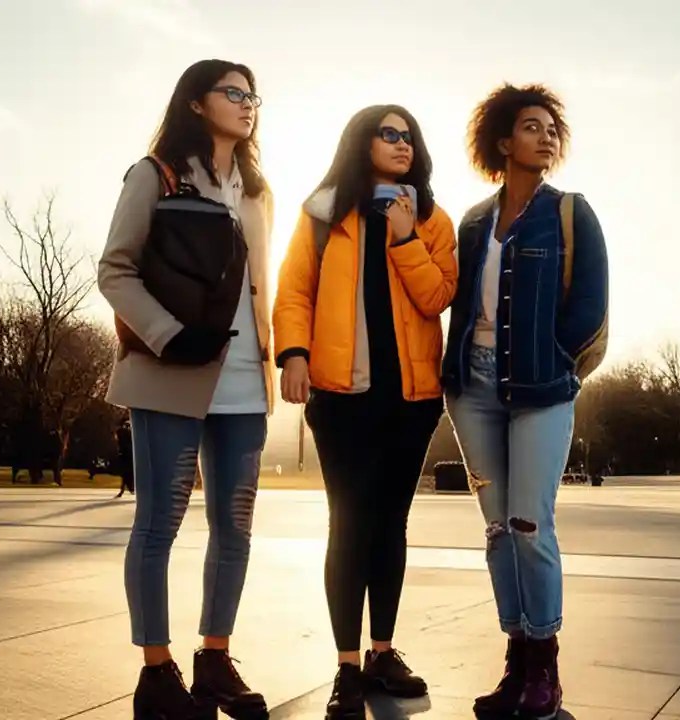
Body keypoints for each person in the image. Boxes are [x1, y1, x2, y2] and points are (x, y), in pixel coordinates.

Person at [98, 59, 274, 720]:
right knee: (158, 525)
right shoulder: (155, 174)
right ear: (195, 103)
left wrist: (281, 357)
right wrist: (169, 334)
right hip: (171, 374)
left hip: (245, 386)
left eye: (253, 95)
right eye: (233, 92)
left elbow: (263, 288)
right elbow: (115, 270)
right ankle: (155, 673)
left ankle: (214, 662)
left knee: (235, 528)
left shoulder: (259, 192)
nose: (247, 103)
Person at [273, 104, 457, 720]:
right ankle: (347, 666)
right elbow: (294, 288)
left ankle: (383, 651)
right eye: (389, 134)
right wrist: (293, 354)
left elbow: (436, 296)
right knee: (348, 526)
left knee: (391, 526)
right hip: (341, 396)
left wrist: (405, 237)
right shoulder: (322, 214)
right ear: (362, 142)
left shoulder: (432, 220)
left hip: (411, 400)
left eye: (410, 137)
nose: (403, 144)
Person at [443, 83, 609, 720]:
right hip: (474, 391)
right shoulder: (472, 223)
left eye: (550, 129)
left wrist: (558, 361)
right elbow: (460, 303)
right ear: (503, 142)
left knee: (529, 524)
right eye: (531, 127)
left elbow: (591, 304)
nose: (545, 137)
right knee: (494, 530)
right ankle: (515, 656)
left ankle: (544, 661)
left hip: (540, 390)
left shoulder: (570, 212)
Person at [115, 418, 135, 498]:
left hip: (125, 455)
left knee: (126, 474)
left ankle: (126, 489)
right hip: (128, 455)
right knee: (127, 473)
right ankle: (129, 488)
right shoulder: (127, 433)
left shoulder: (121, 432)